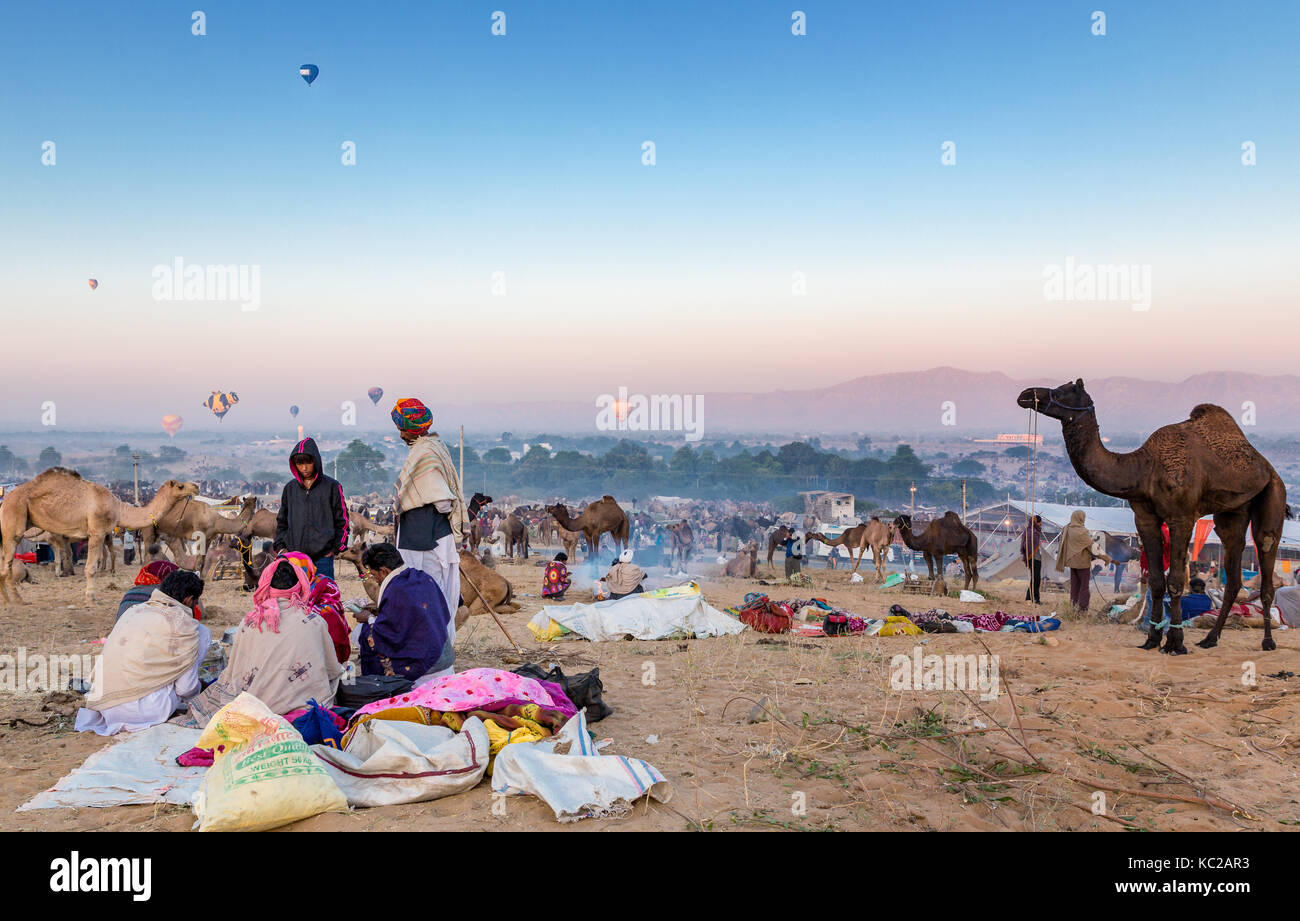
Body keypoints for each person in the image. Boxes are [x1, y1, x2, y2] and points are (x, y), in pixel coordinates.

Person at [185, 554, 343, 724]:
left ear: (265, 586)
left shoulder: (250, 622)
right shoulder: (314, 621)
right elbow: (332, 670)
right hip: (303, 712)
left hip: (252, 709)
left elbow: (235, 670)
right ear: (300, 585)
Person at [77, 570, 209, 736]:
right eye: (195, 602)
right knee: (201, 639)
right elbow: (185, 689)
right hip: (144, 712)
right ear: (189, 600)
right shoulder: (189, 627)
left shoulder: (133, 611)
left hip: (106, 708)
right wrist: (200, 688)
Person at [390, 398, 467, 641]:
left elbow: (442, 500)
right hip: (423, 536)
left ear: (410, 429)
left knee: (428, 597)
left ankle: (435, 651)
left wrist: (419, 499)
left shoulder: (424, 451)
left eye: (402, 428)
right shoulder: (433, 446)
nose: (400, 434)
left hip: (425, 540)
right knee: (429, 597)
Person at [351, 542, 454, 683]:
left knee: (362, 634)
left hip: (425, 671)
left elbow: (386, 635)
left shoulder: (396, 590)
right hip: (444, 657)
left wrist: (368, 618)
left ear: (384, 571)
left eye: (374, 575)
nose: (375, 579)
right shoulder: (422, 577)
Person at [274, 436, 349, 580]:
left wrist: (335, 548)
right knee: (297, 598)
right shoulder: (290, 489)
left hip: (323, 558)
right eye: (299, 463)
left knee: (323, 597)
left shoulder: (332, 486)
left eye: (308, 462)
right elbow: (281, 522)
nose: (304, 468)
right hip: (295, 557)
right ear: (294, 464)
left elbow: (343, 520)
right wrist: (281, 548)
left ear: (316, 461)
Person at [1056, 510, 1100, 613]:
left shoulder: (1067, 529)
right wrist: (1105, 557)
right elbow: (1091, 546)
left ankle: (1073, 607)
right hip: (1082, 564)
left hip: (1072, 563)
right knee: (1084, 587)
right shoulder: (1082, 531)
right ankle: (1082, 610)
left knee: (1074, 587)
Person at [1137, 522, 1172, 633]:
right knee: (1152, 597)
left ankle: (1163, 626)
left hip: (1157, 567)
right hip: (1162, 566)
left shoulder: (1157, 530)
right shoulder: (1166, 530)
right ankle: (1148, 623)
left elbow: (1151, 551)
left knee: (1155, 598)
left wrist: (1146, 573)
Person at [1021, 515, 1045, 604]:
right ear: (1036, 522)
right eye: (1039, 522)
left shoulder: (1033, 531)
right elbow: (1026, 545)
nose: (1041, 524)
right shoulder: (1031, 532)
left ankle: (1033, 598)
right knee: (1035, 579)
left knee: (1036, 579)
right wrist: (1029, 554)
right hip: (1033, 558)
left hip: (1036, 558)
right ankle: (1031, 598)